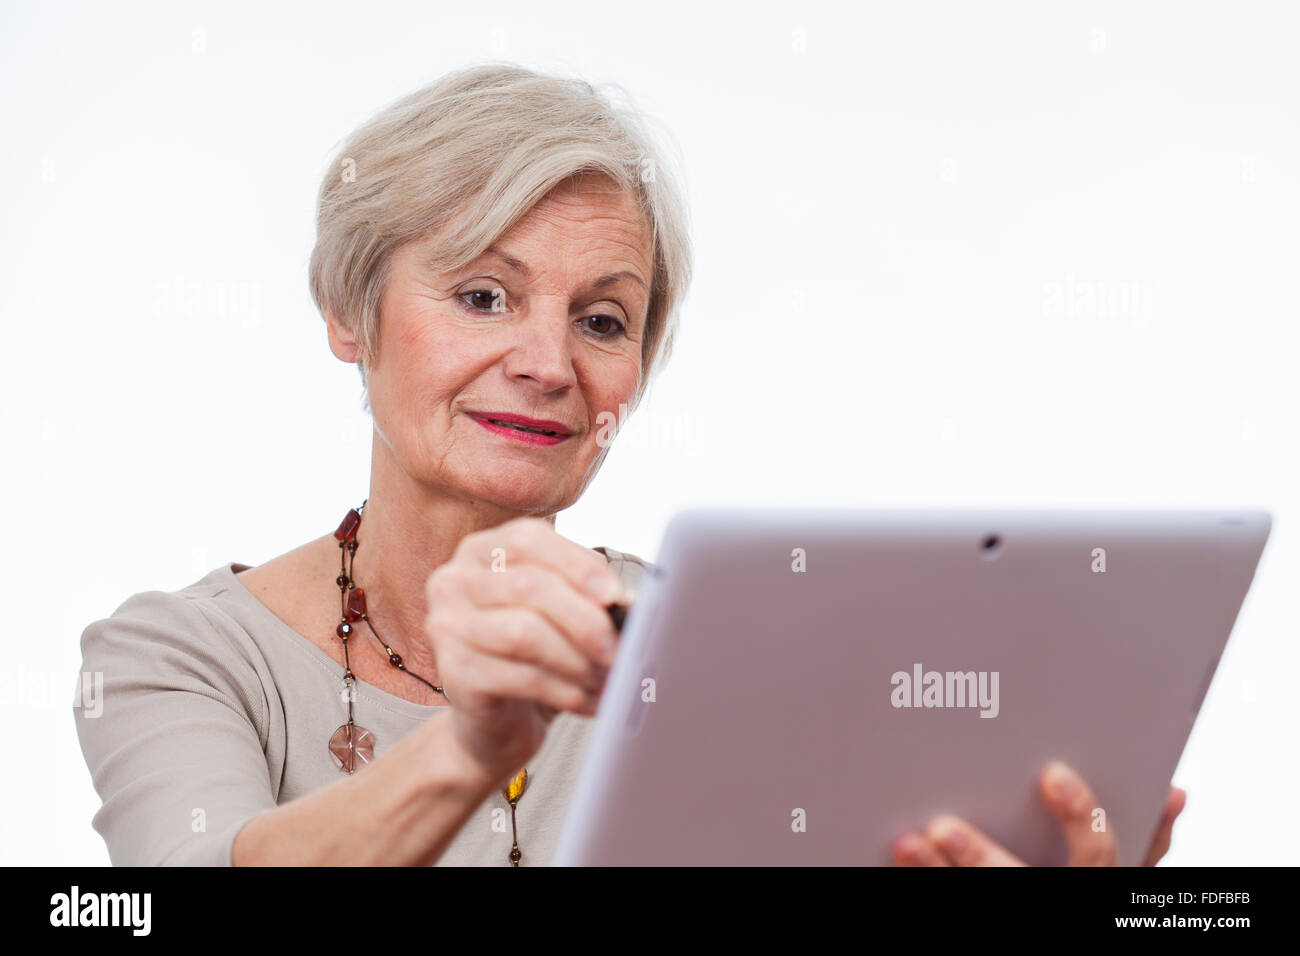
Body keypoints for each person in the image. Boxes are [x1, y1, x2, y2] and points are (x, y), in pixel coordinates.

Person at [72, 62, 1183, 867]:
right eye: (480, 296)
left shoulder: (733, 644)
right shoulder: (177, 655)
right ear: (346, 311)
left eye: (603, 320)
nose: (548, 363)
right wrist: (474, 742)